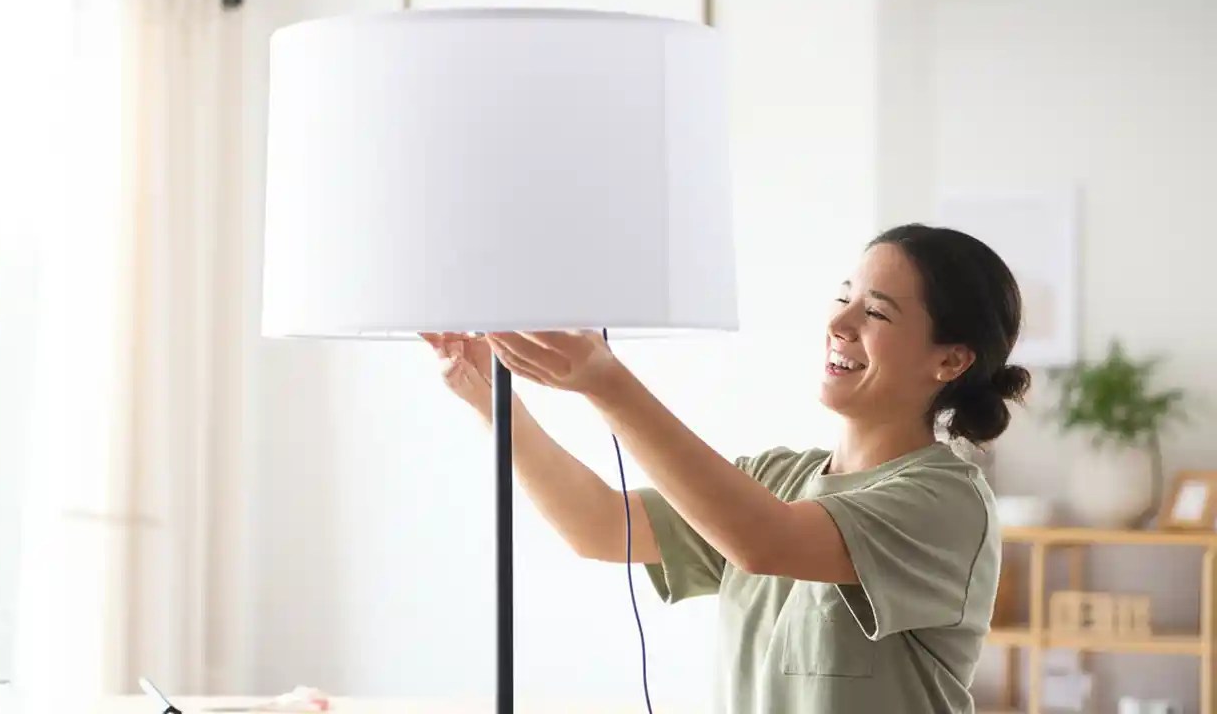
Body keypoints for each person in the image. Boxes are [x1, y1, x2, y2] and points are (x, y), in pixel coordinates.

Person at [421, 224, 1029, 713]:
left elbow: (761, 543)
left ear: (949, 359)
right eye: (843, 298)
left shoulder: (946, 503)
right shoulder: (774, 479)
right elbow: (601, 526)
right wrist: (491, 404)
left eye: (877, 313)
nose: (840, 324)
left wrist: (606, 382)